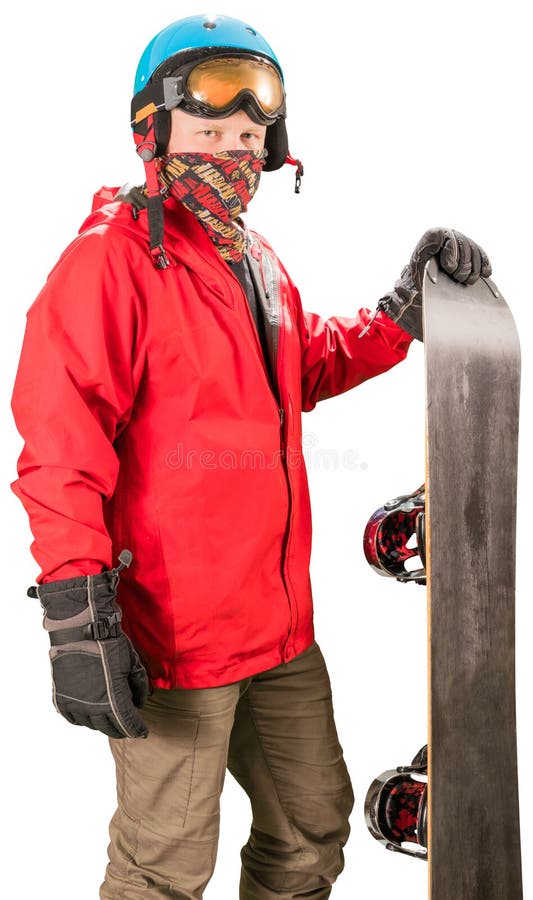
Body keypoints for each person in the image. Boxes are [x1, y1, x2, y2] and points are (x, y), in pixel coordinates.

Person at [9, 13, 492, 899]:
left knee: (312, 828)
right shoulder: (109, 265)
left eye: (248, 133)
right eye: (208, 130)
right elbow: (59, 444)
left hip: (276, 631)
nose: (231, 150)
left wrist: (396, 312)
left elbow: (303, 363)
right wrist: (77, 618)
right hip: (172, 637)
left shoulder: (254, 260)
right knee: (164, 868)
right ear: (152, 132)